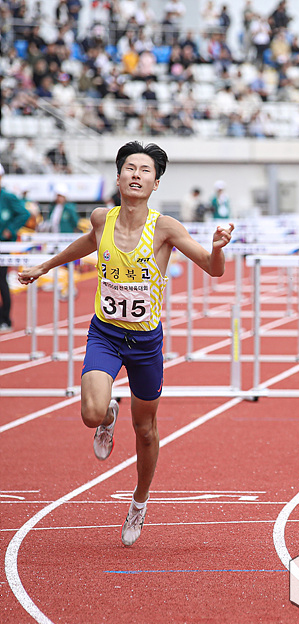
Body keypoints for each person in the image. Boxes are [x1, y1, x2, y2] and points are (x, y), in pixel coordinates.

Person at [17, 141, 234, 545]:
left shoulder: (166, 228)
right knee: (90, 412)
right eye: (129, 168)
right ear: (118, 178)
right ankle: (107, 417)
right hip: (106, 333)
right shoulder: (102, 218)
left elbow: (211, 268)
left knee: (146, 430)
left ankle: (139, 500)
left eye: (145, 170)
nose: (136, 174)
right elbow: (87, 243)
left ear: (155, 183)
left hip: (145, 342)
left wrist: (218, 249)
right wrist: (45, 265)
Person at [0, 163, 32, 332]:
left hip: (3, 244)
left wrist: (10, 230)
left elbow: (24, 213)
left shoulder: (8, 197)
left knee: (1, 280)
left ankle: (5, 319)